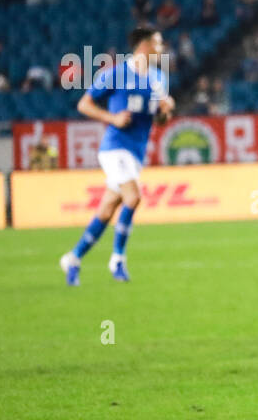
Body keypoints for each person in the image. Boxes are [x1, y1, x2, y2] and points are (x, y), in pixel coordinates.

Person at [59, 25, 174, 286]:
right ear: (144, 45)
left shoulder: (159, 79)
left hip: (136, 152)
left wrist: (166, 111)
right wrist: (112, 117)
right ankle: (118, 259)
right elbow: (84, 104)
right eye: (158, 43)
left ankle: (74, 258)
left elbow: (161, 121)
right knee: (133, 197)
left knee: (107, 209)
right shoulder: (116, 74)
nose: (161, 48)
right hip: (114, 148)